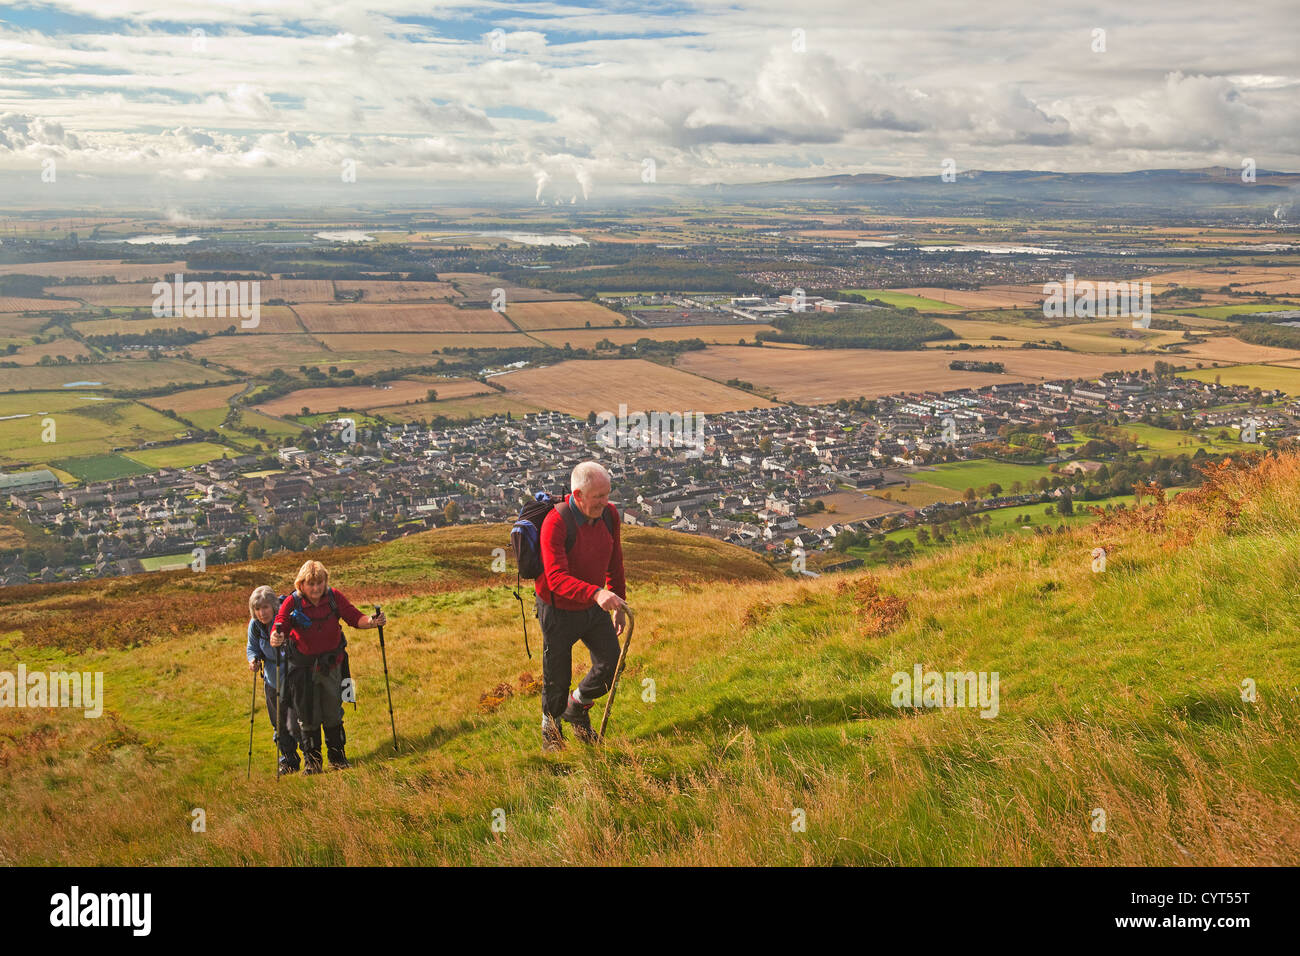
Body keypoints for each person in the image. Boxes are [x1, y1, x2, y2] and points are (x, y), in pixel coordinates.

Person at [535, 460, 628, 752]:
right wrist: (597, 594)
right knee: (556, 677)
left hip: (592, 605)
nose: (605, 501)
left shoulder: (610, 516)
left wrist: (618, 601)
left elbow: (615, 560)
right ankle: (551, 730)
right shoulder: (556, 522)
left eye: (607, 494)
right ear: (577, 495)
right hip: (558, 610)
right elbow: (556, 579)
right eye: (597, 496)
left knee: (612, 662)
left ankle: (577, 706)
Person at [272, 560, 386, 774]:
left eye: (319, 583)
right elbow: (280, 625)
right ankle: (313, 765)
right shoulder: (291, 602)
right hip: (302, 671)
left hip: (332, 666)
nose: (315, 588)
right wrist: (275, 637)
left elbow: (354, 617)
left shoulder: (334, 597)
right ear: (301, 584)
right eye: (310, 584)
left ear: (325, 582)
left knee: (333, 712)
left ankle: (338, 759)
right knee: (307, 717)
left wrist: (372, 621)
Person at [246, 585, 300, 775]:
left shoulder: (286, 619)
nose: (262, 613)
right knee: (278, 722)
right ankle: (288, 761)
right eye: (257, 609)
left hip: (294, 675)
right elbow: (252, 647)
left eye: (265, 607)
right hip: (271, 679)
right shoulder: (255, 625)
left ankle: (312, 757)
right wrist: (253, 660)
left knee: (298, 721)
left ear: (274, 606)